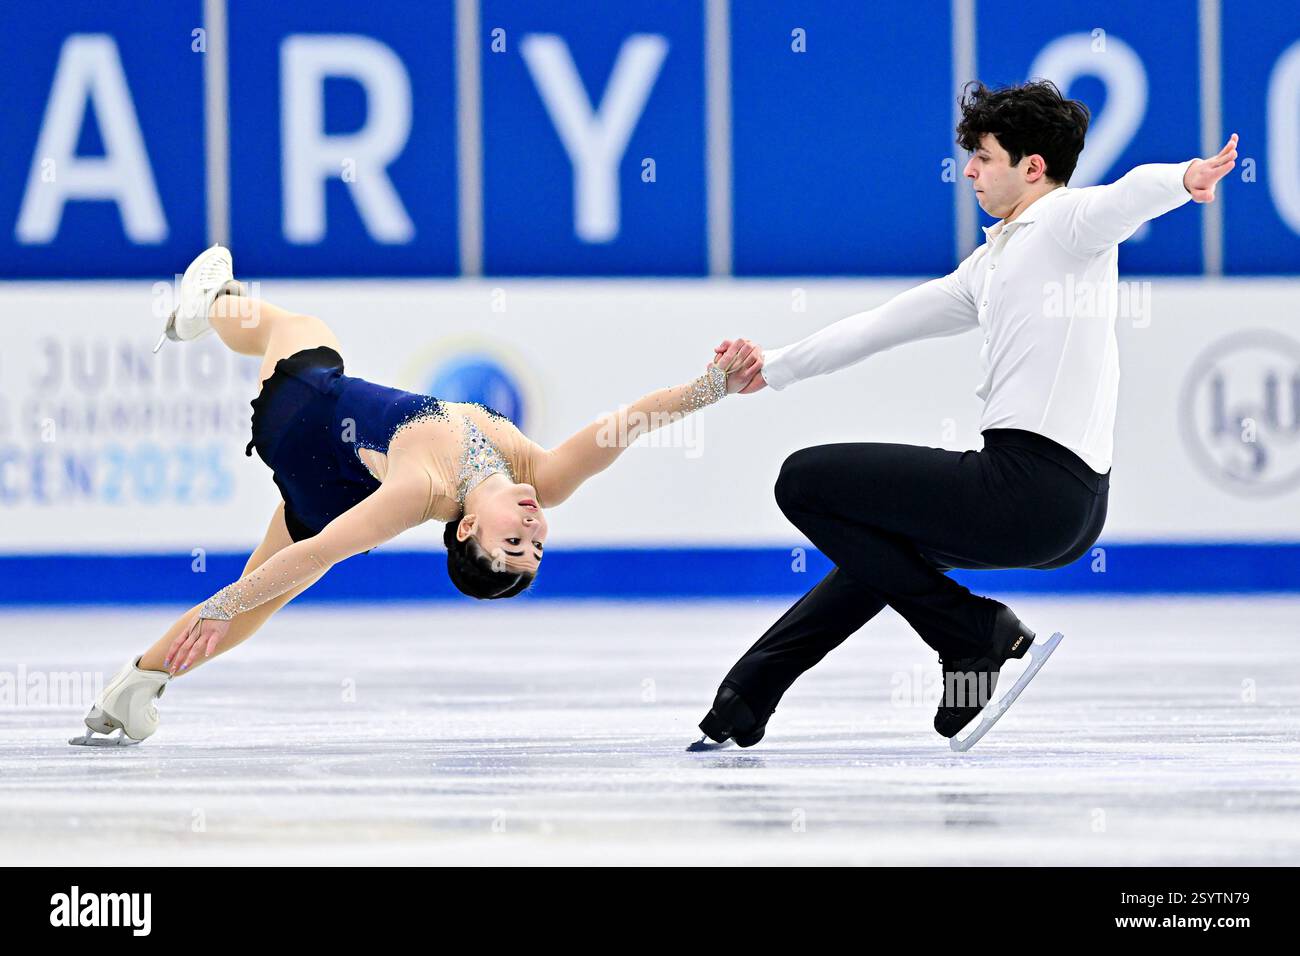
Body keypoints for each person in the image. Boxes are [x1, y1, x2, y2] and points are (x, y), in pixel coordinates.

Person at [697, 79, 1239, 748]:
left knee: (802, 481)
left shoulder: (1067, 225)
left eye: (983, 157)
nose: (969, 171)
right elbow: (880, 326)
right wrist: (772, 367)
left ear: (1032, 167)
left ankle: (973, 633)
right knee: (882, 552)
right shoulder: (990, 265)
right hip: (1068, 508)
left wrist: (1185, 177)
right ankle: (748, 695)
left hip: (1029, 491)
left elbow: (1126, 196)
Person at [71, 245, 762, 745]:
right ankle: (137, 685)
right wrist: (711, 388)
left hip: (302, 414)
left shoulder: (423, 486)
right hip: (331, 482)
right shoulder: (539, 474)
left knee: (296, 331)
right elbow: (627, 426)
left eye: (511, 542)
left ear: (465, 530)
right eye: (535, 547)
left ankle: (214, 303)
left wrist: (219, 602)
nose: (532, 528)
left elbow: (322, 554)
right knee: (267, 594)